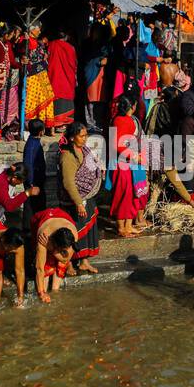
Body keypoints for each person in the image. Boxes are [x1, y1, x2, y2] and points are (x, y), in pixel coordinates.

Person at [56, 122, 101, 272]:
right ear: (72, 137)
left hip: (86, 197)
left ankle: (84, 262)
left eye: (86, 135)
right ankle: (67, 263)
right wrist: (78, 203)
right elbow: (68, 182)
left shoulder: (84, 150)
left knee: (87, 231)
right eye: (81, 136)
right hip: (73, 201)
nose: (85, 139)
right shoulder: (68, 156)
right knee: (73, 232)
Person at [108, 96, 148, 237]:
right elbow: (118, 145)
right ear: (132, 106)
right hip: (122, 163)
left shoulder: (126, 120)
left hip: (129, 162)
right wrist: (135, 156)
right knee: (123, 194)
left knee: (132, 193)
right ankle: (121, 227)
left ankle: (128, 225)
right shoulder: (120, 121)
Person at [32, 207, 78, 303]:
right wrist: (41, 293)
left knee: (62, 261)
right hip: (43, 219)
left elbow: (65, 259)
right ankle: (44, 291)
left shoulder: (73, 234)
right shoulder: (44, 236)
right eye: (60, 249)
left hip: (62, 219)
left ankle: (55, 290)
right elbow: (39, 268)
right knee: (45, 264)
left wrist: (52, 249)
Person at [46, 29, 78, 131]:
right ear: (66, 37)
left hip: (54, 75)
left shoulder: (51, 45)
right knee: (65, 96)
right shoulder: (70, 48)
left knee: (56, 96)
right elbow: (74, 64)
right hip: (67, 77)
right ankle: (64, 124)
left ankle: (54, 122)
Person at [22, 119, 48, 220]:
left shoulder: (34, 142)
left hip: (37, 179)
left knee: (38, 204)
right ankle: (29, 229)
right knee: (31, 205)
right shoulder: (31, 145)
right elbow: (28, 164)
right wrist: (31, 182)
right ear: (41, 131)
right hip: (34, 181)